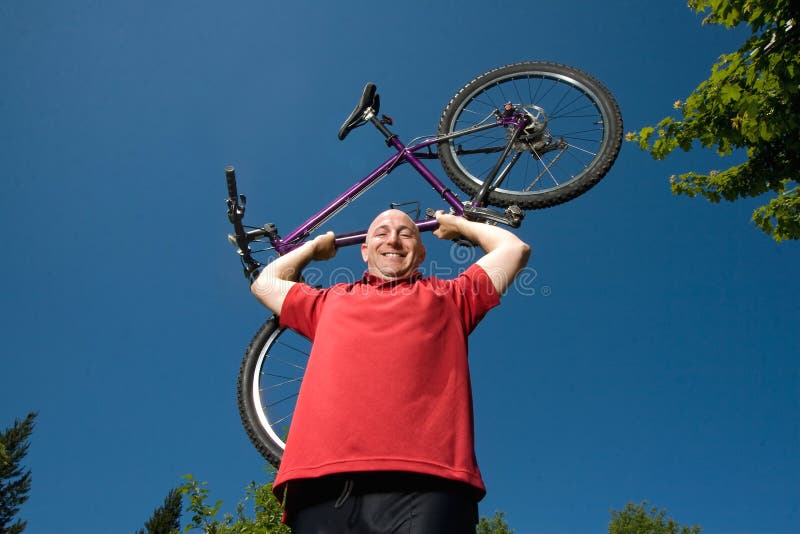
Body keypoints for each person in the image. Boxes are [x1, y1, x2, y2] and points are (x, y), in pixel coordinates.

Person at [250, 209, 530, 533]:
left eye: (406, 233)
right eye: (380, 232)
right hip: (320, 486)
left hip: (429, 485)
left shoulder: (453, 297)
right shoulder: (328, 302)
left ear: (421, 252)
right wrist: (313, 248)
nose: (393, 239)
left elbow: (514, 249)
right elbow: (265, 284)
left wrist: (461, 225)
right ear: (365, 250)